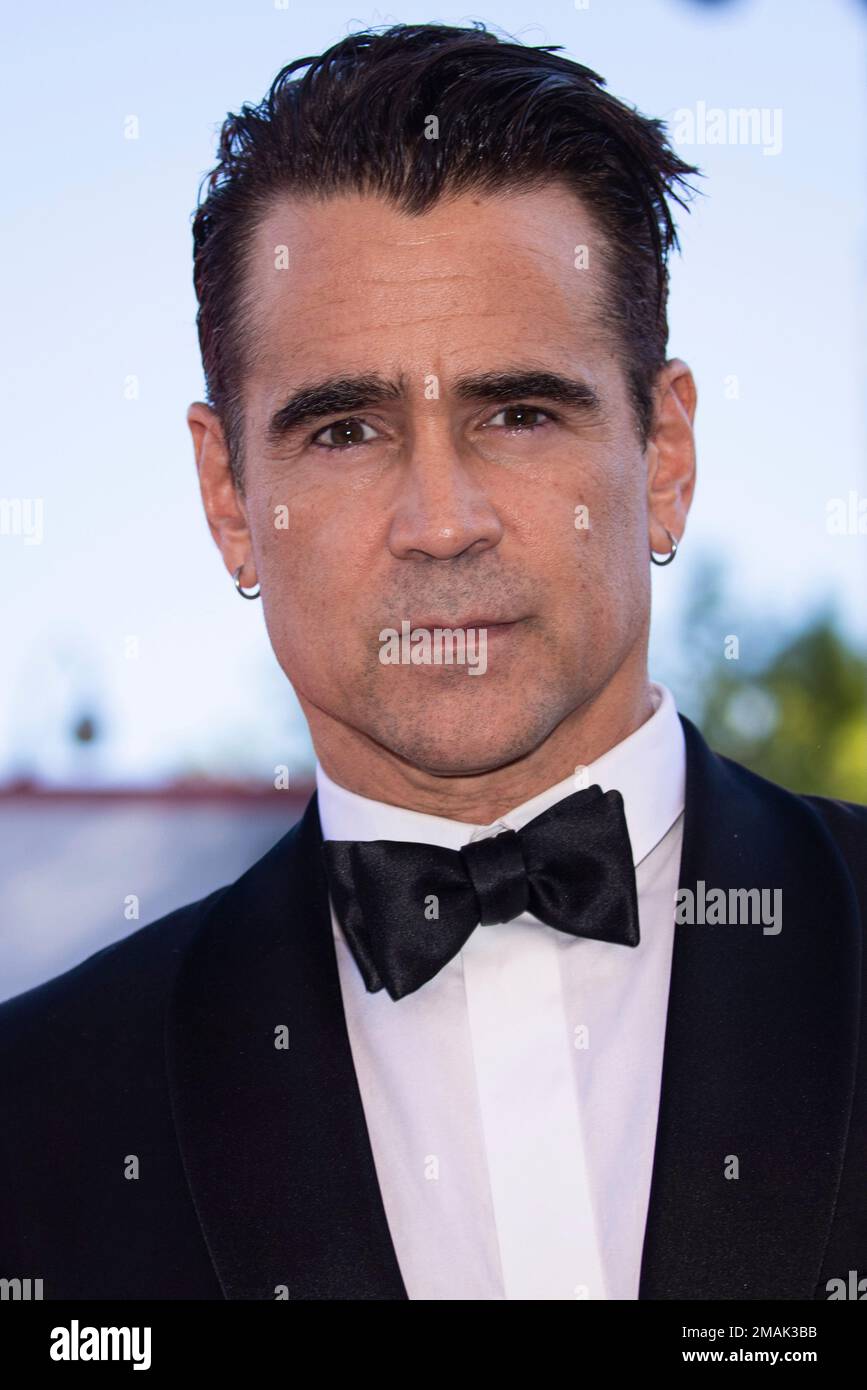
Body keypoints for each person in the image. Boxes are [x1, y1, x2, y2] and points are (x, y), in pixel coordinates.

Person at [1, 22, 865, 1302]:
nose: (443, 521)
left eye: (519, 413)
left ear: (665, 455)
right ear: (229, 497)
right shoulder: (35, 1124)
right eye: (345, 430)